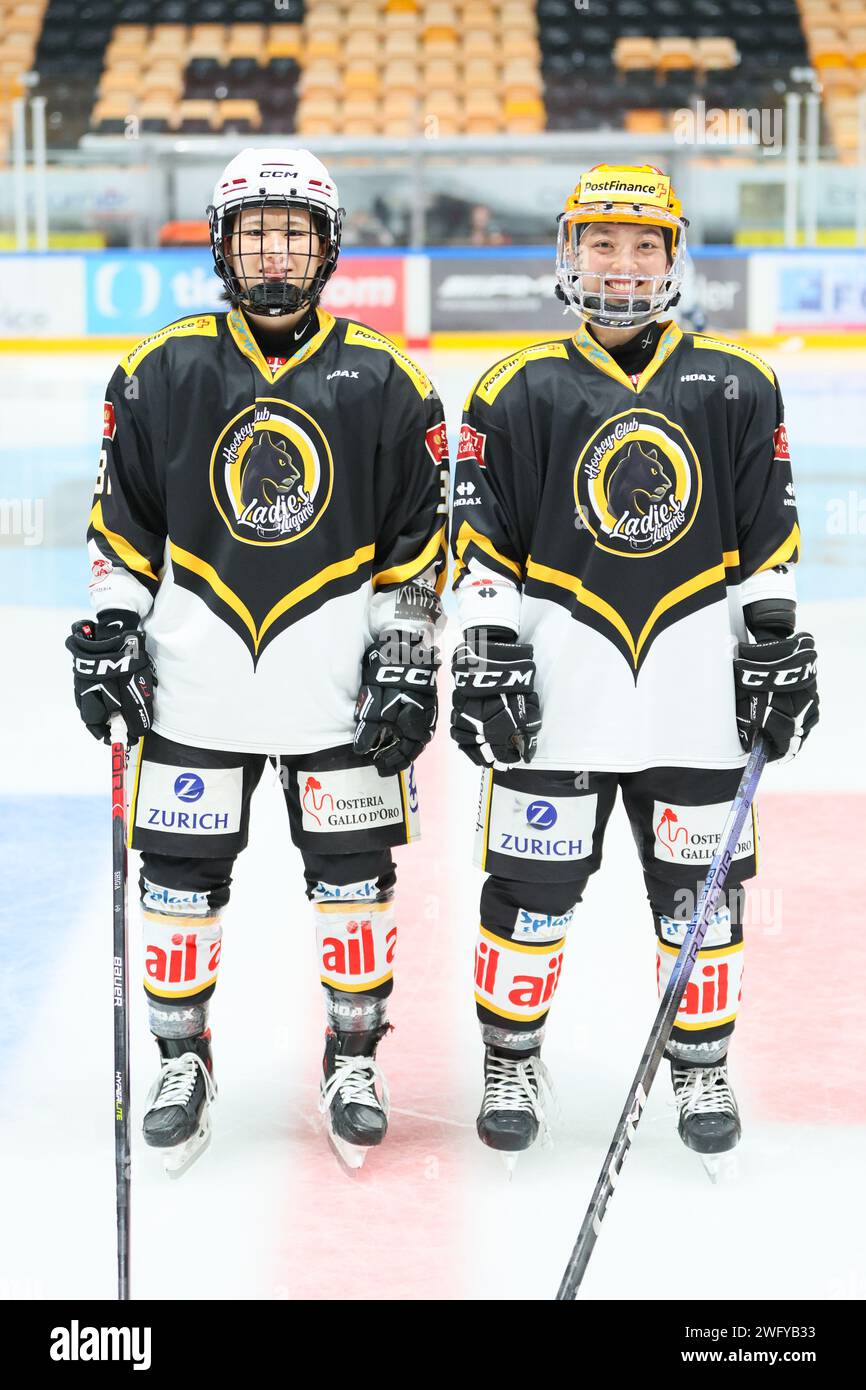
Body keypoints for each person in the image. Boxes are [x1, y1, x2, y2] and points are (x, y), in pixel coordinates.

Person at [66, 148, 449, 1175]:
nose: (272, 250)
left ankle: (353, 1057)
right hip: (197, 689)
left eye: (293, 231)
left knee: (354, 886)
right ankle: (181, 1058)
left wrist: (406, 651)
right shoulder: (162, 369)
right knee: (180, 885)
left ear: (326, 246)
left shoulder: (386, 378)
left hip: (337, 697)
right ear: (221, 242)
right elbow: (123, 525)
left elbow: (419, 540)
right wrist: (111, 625)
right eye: (253, 231)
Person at [449, 164, 818, 1161]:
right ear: (567, 254)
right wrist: (486, 650)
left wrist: (774, 645)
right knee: (528, 891)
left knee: (699, 897)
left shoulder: (736, 383)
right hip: (556, 699)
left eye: (641, 244)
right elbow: (481, 543)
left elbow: (764, 539)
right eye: (600, 243)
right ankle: (510, 1056)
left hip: (694, 698)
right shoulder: (512, 386)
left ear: (671, 257)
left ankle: (699, 1064)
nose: (620, 262)